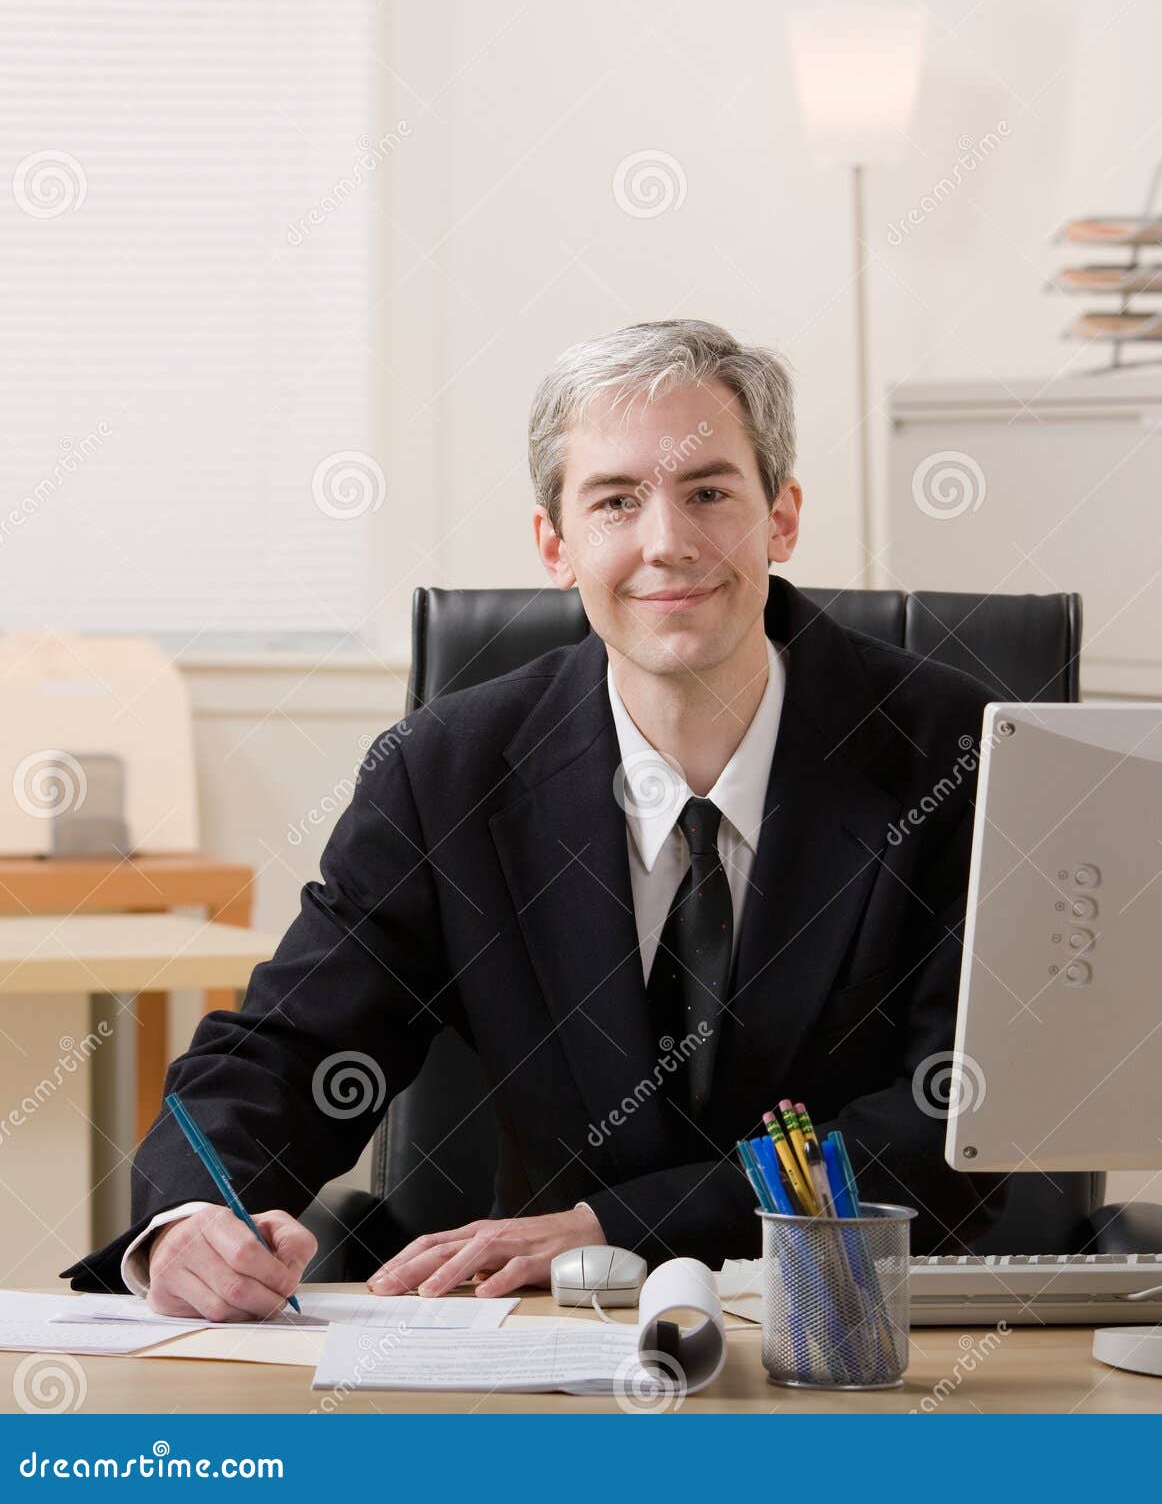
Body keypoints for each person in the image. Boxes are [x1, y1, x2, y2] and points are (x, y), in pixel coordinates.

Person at [62, 319, 996, 1319]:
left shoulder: (952, 755)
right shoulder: (446, 772)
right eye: (615, 500)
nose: (666, 541)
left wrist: (618, 1226)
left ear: (782, 518)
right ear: (556, 542)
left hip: (879, 1328)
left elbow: (954, 1118)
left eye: (709, 492)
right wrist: (197, 1217)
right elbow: (286, 1052)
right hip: (547, 1343)